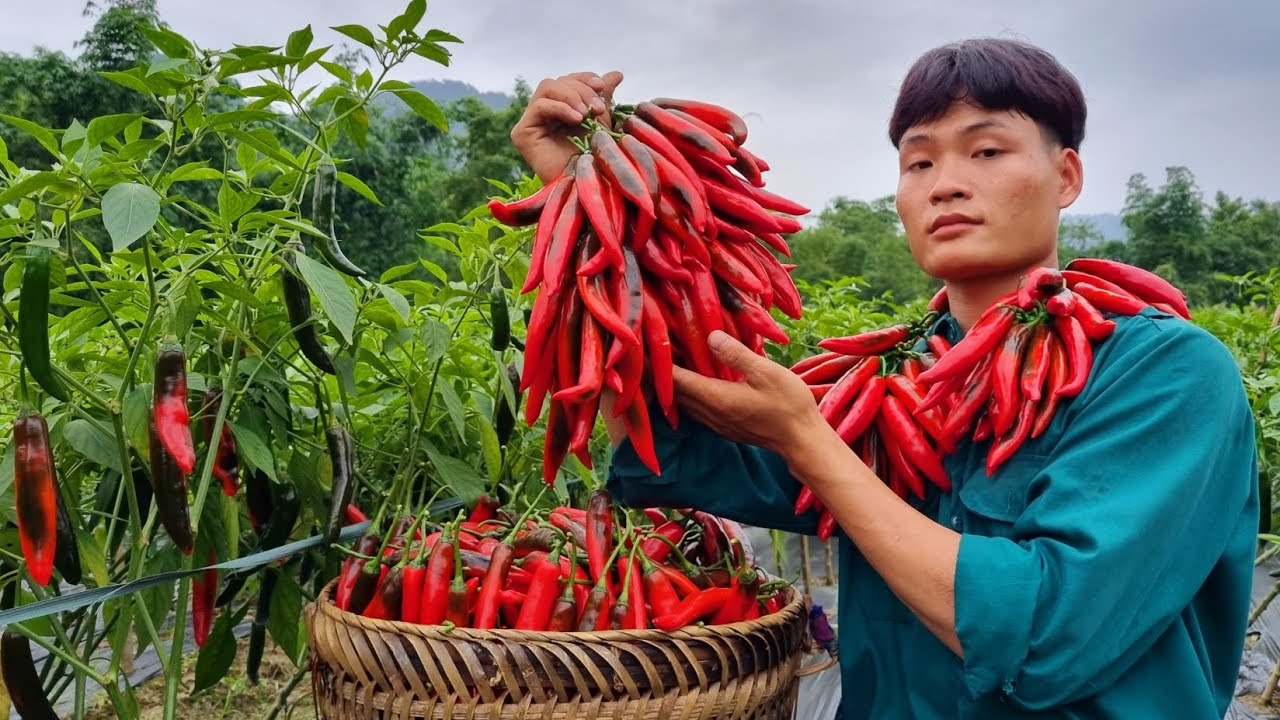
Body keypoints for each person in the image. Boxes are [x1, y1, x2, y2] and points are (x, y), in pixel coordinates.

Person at [509, 39, 1259, 719]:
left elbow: (1046, 634)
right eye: (919, 161)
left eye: (988, 151)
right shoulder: (890, 380)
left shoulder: (1167, 375)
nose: (946, 184)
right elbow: (677, 434)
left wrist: (810, 443)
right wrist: (592, 192)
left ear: (1066, 176)